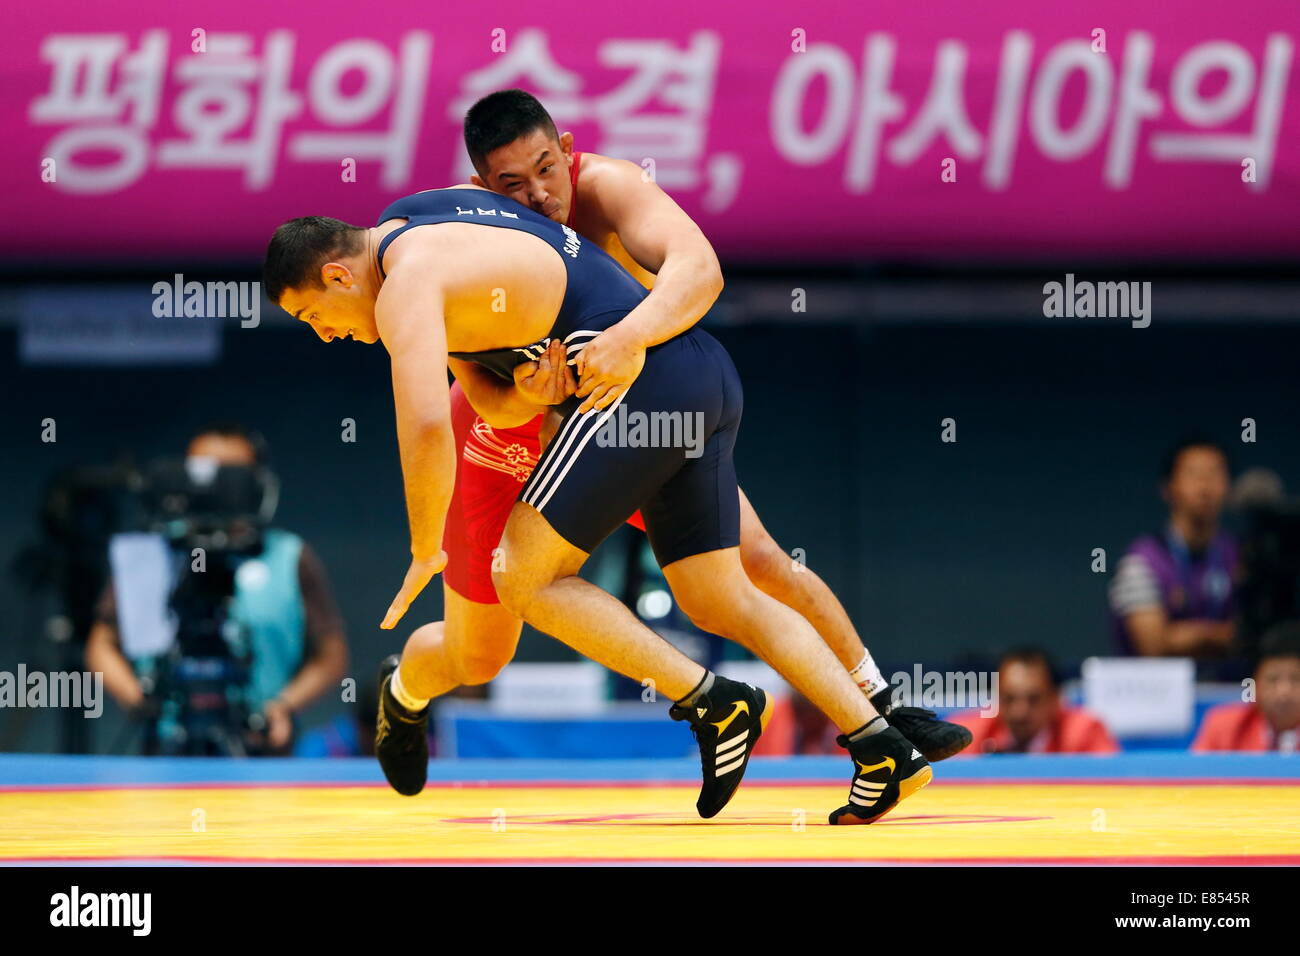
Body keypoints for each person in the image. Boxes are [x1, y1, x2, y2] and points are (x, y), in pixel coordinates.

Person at [262, 185, 931, 823]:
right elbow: (483, 393)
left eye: (312, 316)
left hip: (624, 391)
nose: (324, 334)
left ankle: (713, 701)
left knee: (523, 575)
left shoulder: (403, 285)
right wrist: (528, 386)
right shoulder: (419, 226)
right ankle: (881, 746)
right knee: (714, 598)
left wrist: (421, 548)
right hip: (691, 375)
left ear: (339, 277)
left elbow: (428, 425)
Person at [385, 89, 967, 782]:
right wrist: (526, 398)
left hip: (615, 419)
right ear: (484, 188)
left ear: (569, 150)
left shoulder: (608, 186)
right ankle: (404, 694)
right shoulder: (459, 232)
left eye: (548, 168)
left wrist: (628, 338)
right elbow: (480, 394)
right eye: (514, 183)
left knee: (760, 562)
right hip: (505, 436)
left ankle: (883, 707)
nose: (541, 194)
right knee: (478, 656)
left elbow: (699, 269)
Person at [85, 423, 349, 754]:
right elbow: (102, 641)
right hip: (165, 747)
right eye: (204, 472)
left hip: (264, 749)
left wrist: (281, 706)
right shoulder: (150, 554)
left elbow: (331, 654)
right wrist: (139, 700)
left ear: (258, 481)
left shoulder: (290, 556)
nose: (214, 488)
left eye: (230, 476)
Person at [1109, 438, 1239, 667]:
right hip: (1154, 697)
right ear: (1168, 488)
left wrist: (1183, 635)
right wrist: (1222, 636)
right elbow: (1154, 647)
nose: (1205, 487)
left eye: (1214, 474)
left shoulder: (1241, 555)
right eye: (1193, 474)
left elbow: (1259, 641)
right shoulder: (1142, 560)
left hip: (1231, 693)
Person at [952, 648, 1118, 755]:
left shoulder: (1085, 733)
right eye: (1009, 698)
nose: (1020, 712)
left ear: (1056, 698)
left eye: (1033, 699)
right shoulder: (964, 736)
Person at [1192, 622, 1300, 752]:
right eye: (1273, 679)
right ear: (1254, 685)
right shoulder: (1223, 728)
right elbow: (1197, 771)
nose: (1284, 692)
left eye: (1296, 679)